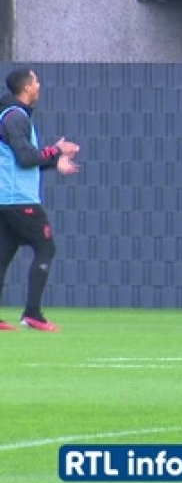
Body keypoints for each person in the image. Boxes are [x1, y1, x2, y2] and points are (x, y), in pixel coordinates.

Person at [0, 69, 81, 332]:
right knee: (46, 247)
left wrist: (54, 161)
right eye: (35, 80)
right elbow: (26, 158)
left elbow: (23, 160)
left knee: (4, 255)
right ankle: (32, 314)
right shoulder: (16, 117)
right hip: (19, 199)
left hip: (6, 198)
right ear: (26, 88)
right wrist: (57, 150)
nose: (39, 84)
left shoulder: (12, 116)